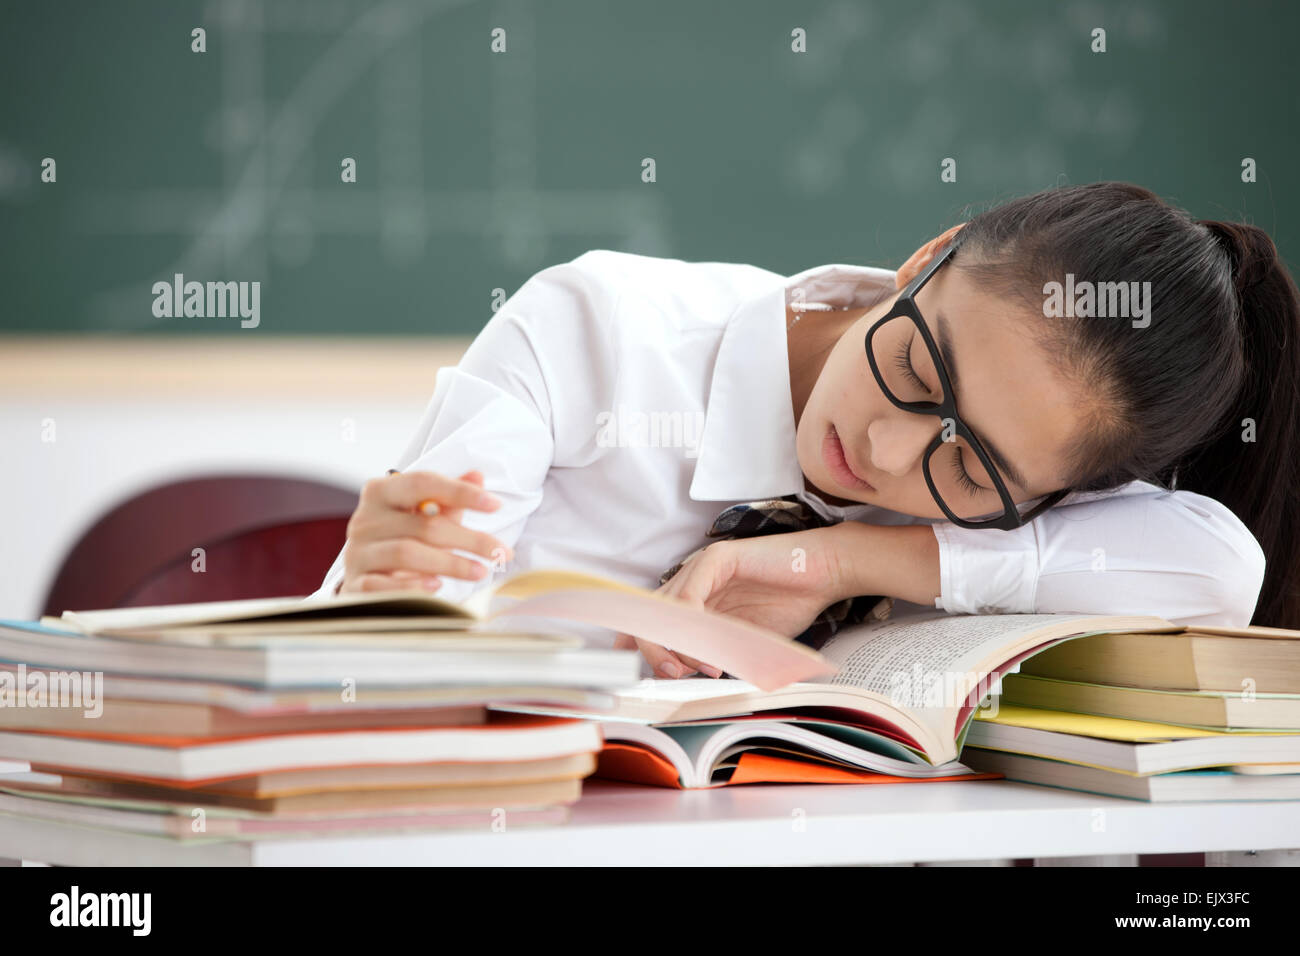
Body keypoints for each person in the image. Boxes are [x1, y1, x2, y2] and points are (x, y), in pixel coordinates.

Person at [311, 182, 1298, 679]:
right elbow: (394, 635)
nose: (881, 452)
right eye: (918, 369)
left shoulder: (1023, 488)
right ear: (927, 258)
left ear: (1047, 495)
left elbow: (1214, 567)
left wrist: (841, 560)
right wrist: (384, 589)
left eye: (964, 462)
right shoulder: (596, 333)